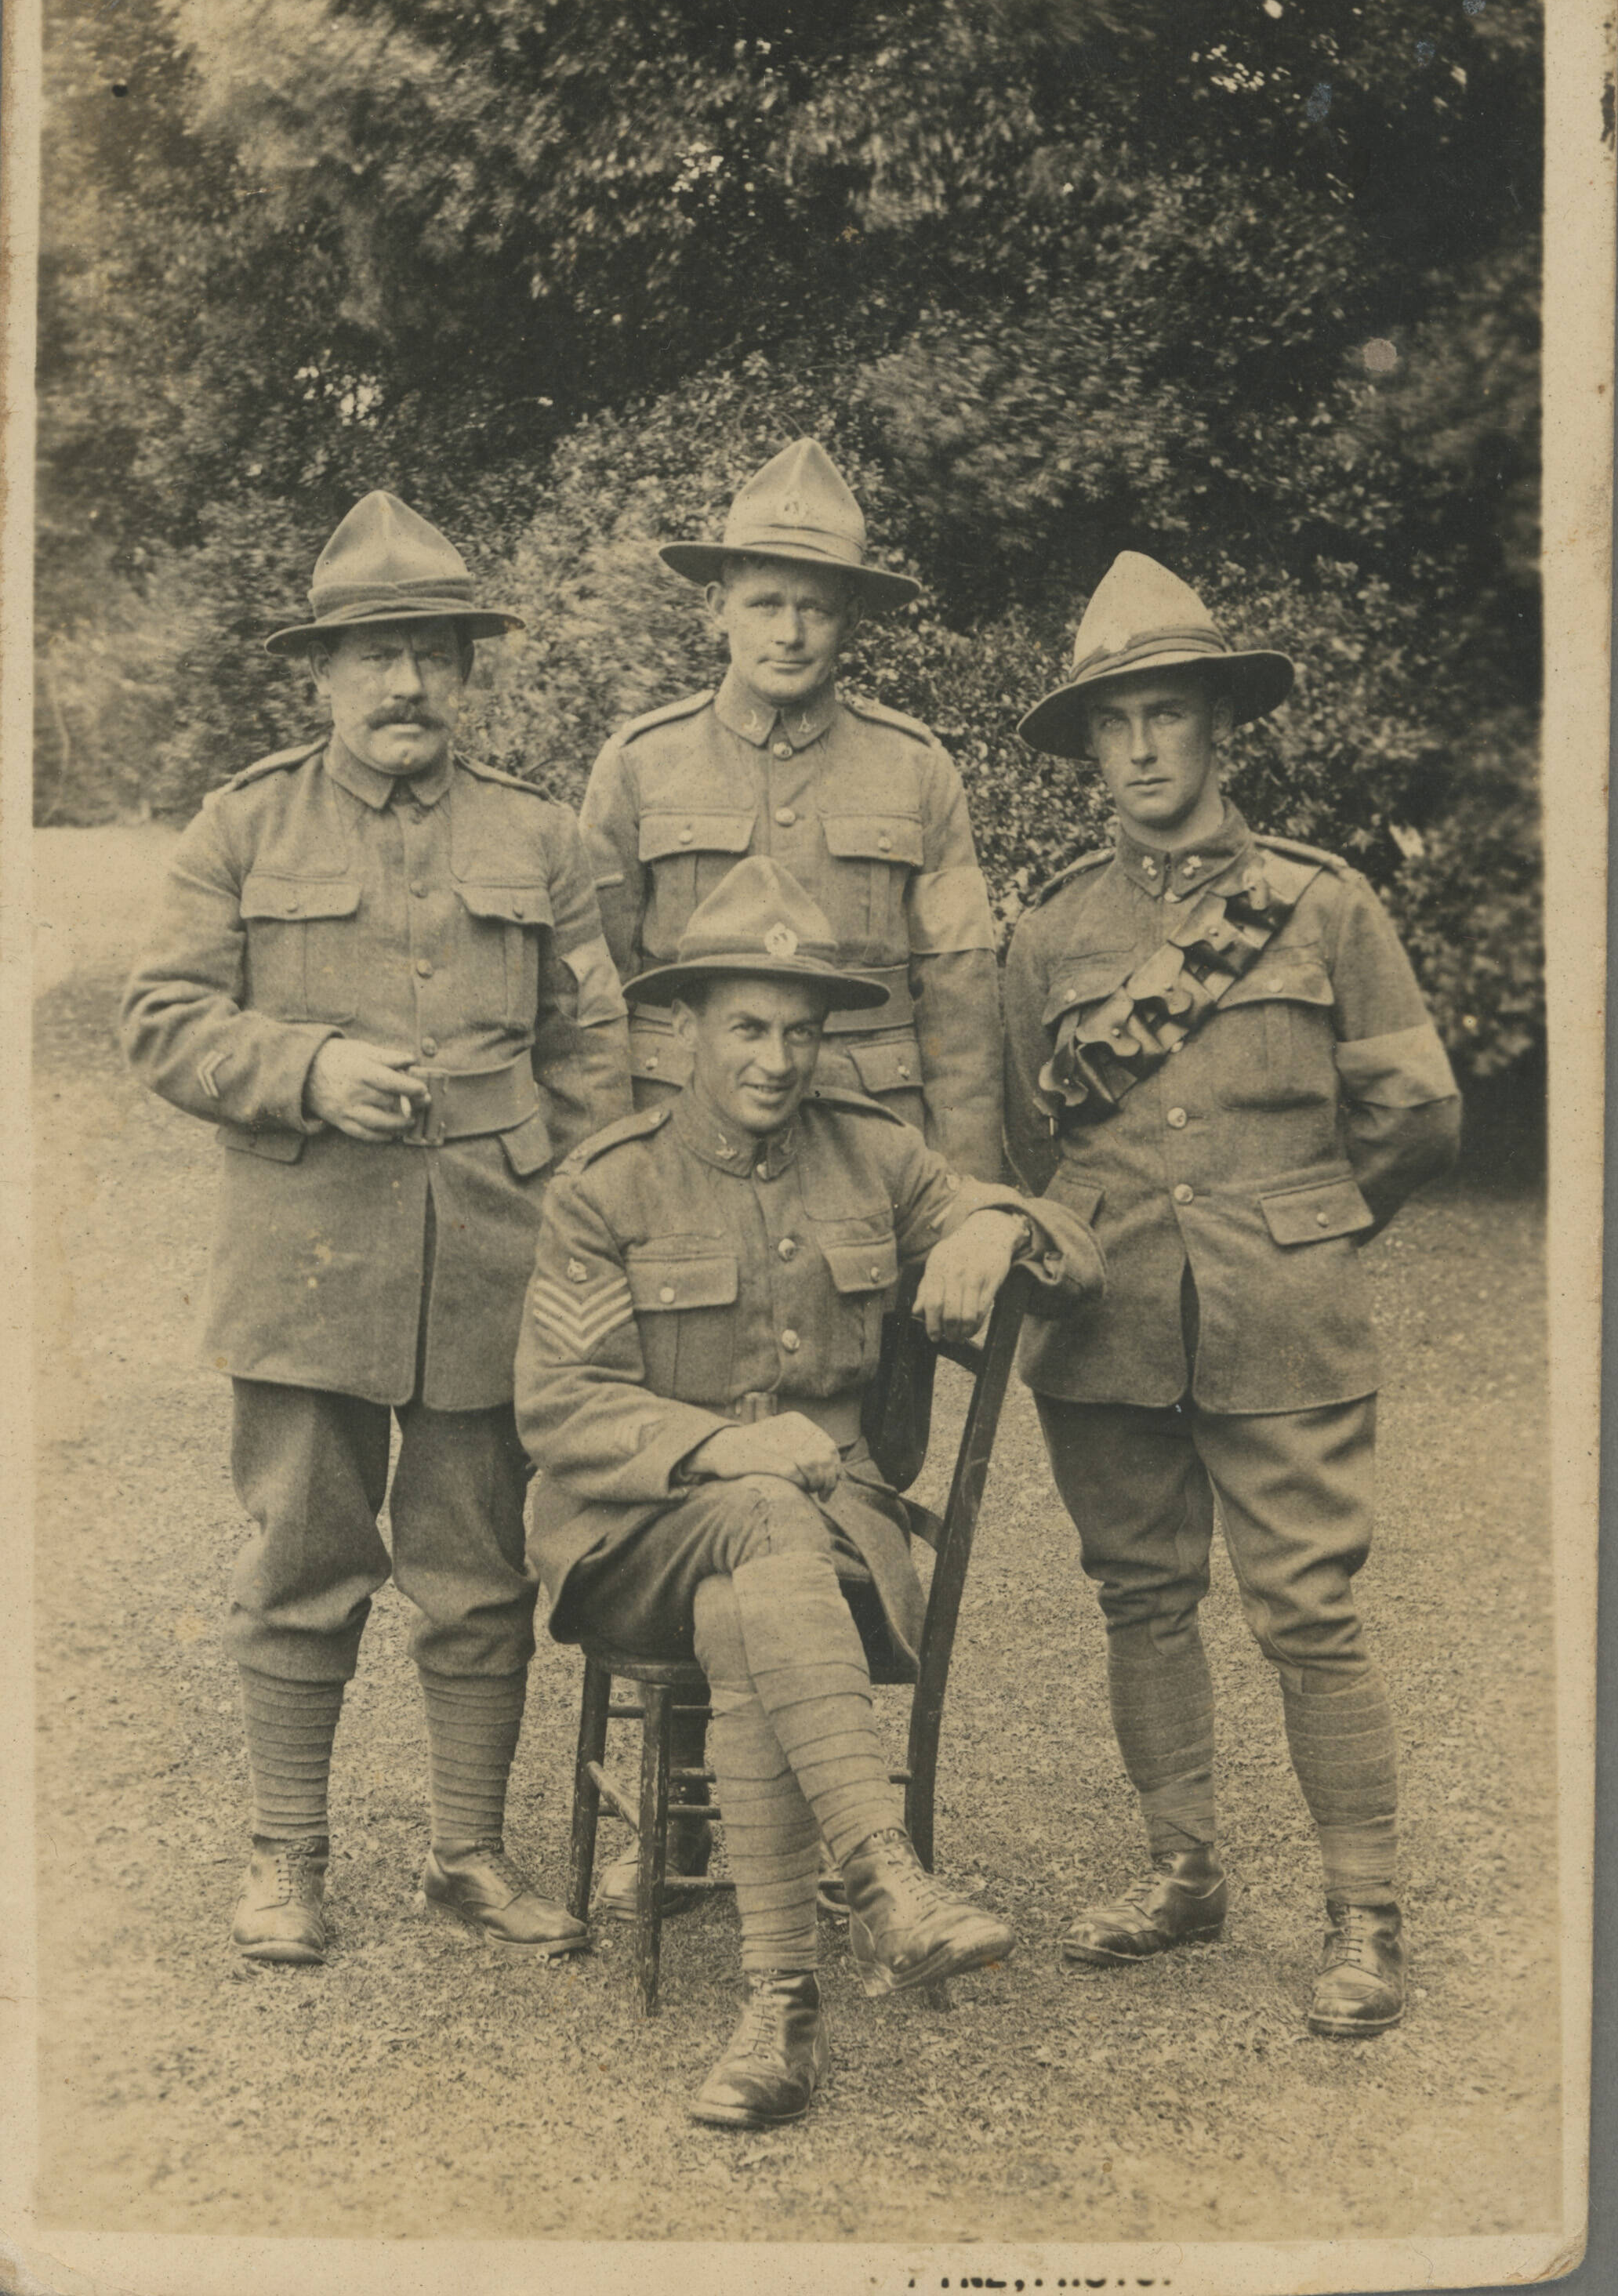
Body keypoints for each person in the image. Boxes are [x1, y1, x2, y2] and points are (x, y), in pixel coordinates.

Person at [122, 491, 632, 1968]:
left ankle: (467, 1856)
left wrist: (579, 1227)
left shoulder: (541, 834)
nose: (404, 684)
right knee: (301, 1557)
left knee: (480, 1568)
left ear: (467, 672)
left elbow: (593, 1048)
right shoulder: (243, 821)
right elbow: (161, 1019)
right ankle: (286, 1856)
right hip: (308, 1255)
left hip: (492, 1255)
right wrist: (307, 1068)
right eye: (373, 656)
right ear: (323, 676)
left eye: (432, 655)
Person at [516, 858, 1102, 2126]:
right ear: (685, 1027)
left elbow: (1077, 1254)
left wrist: (998, 1225)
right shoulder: (608, 1182)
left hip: (829, 1543)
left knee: (751, 1600)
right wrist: (720, 1448)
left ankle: (780, 2007)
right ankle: (882, 1874)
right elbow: (561, 1407)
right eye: (747, 1028)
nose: (776, 1060)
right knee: (756, 1522)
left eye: (801, 1032)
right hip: (631, 1539)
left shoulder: (875, 1157)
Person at [1003, 550, 1461, 2040]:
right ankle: (1182, 1872)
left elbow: (1416, 1109)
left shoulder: (1322, 903)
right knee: (1141, 1602)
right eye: (1115, 723)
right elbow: (1021, 1143)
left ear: (1218, 727)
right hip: (1109, 1319)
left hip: (1283, 1316)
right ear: (1090, 746)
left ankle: (1363, 1917)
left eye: (1169, 715)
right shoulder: (1052, 928)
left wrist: (1311, 1227)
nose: (1143, 748)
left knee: (1309, 1613)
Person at [579, 436, 1006, 1910]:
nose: (791, 629)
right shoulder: (640, 765)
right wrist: (607, 1178)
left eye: (819, 605)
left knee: (847, 1480)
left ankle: (823, 1820)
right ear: (720, 606)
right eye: (766, 599)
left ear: (852, 620)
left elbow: (961, 997)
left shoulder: (916, 770)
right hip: (680, 1197)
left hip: (863, 1210)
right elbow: (591, 991)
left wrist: (975, 1210)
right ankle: (688, 1824)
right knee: (691, 1477)